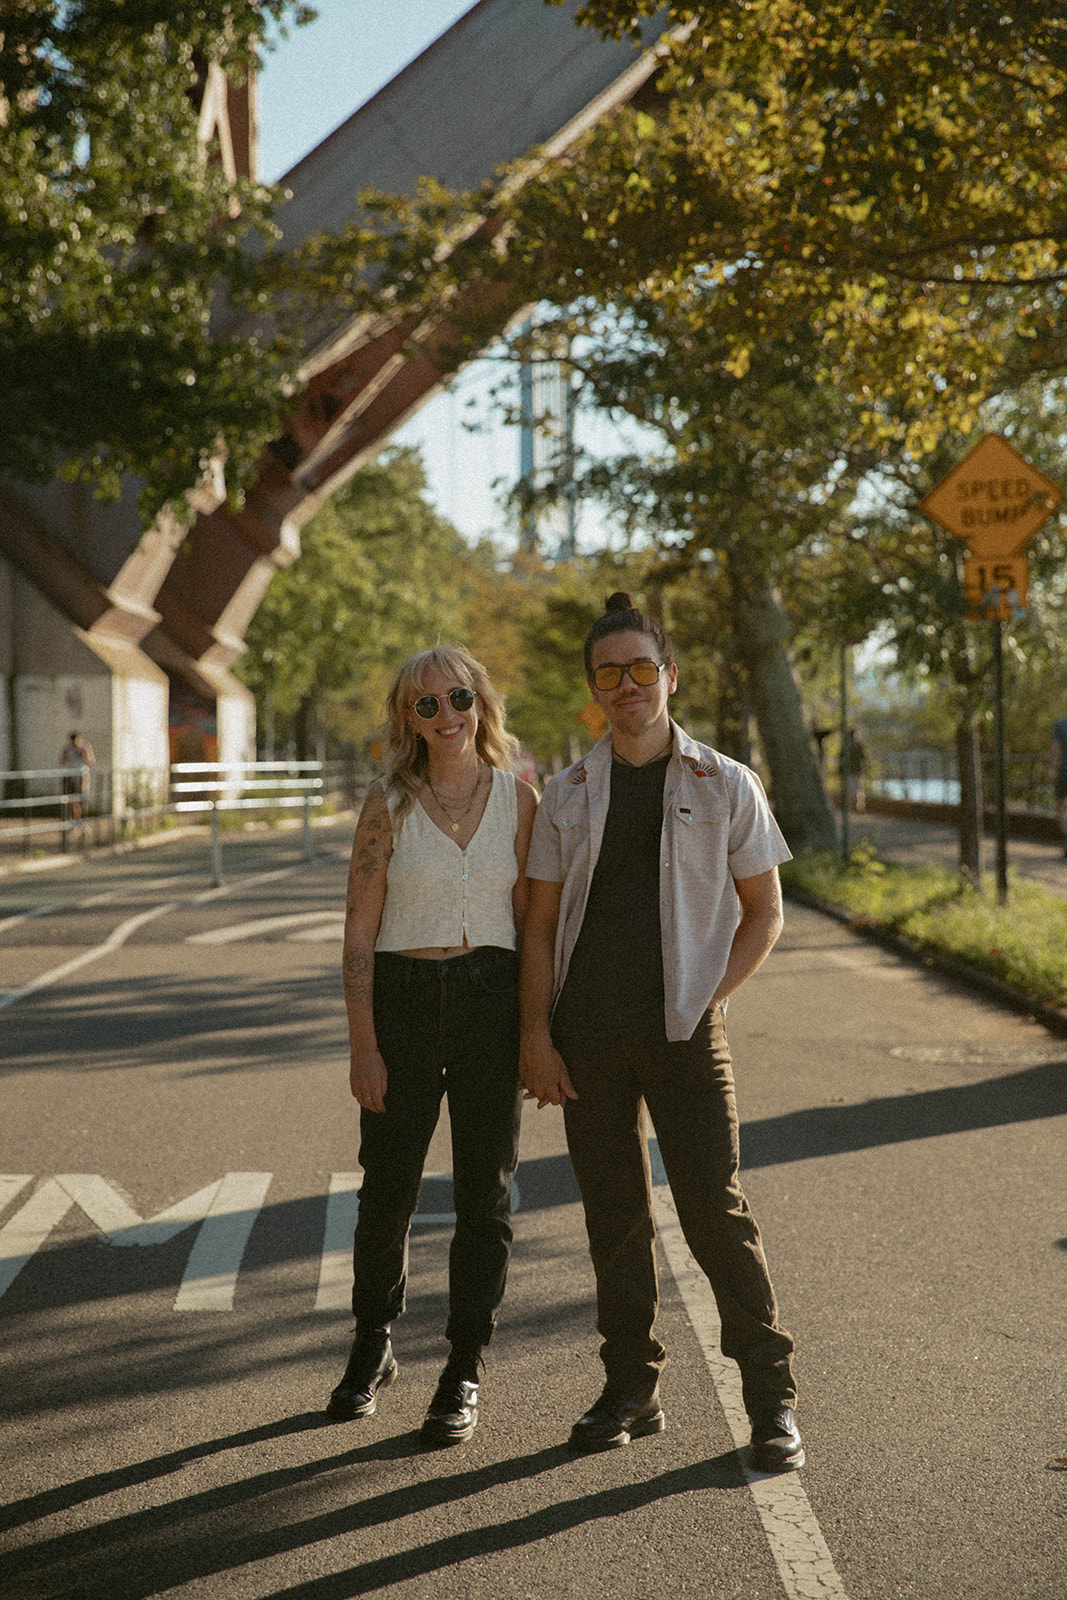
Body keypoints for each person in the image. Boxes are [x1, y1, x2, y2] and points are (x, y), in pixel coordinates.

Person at [519, 593, 803, 1472]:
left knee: (715, 1212)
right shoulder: (564, 794)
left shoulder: (727, 783)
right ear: (593, 690)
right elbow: (537, 927)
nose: (628, 685)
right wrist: (536, 1035)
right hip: (587, 1037)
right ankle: (630, 1390)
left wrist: (711, 998)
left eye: (643, 669)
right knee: (614, 1218)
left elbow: (765, 913)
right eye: (610, 674)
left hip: (685, 1034)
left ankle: (770, 1401)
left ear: (669, 676)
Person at [328, 646, 538, 1447]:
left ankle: (463, 1369)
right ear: (406, 719)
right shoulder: (387, 805)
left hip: (490, 1000)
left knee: (485, 1199)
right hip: (403, 1001)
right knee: (386, 1193)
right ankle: (373, 1339)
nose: (446, 716)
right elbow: (356, 932)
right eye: (426, 705)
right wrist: (363, 1045)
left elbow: (532, 927)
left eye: (458, 697)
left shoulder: (521, 803)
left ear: (481, 703)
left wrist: (532, 1033)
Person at [59, 731, 95, 820]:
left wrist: (84, 756)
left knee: (83, 799)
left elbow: (91, 762)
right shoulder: (68, 749)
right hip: (73, 775)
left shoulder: (84, 748)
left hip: (83, 775)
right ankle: (75, 819)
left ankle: (83, 820)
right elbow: (62, 762)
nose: (75, 743)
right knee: (73, 800)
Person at [1047, 716, 1067, 857]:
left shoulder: (1061, 725)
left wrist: (1049, 770)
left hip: (1064, 773)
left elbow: (1054, 750)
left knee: (1060, 810)